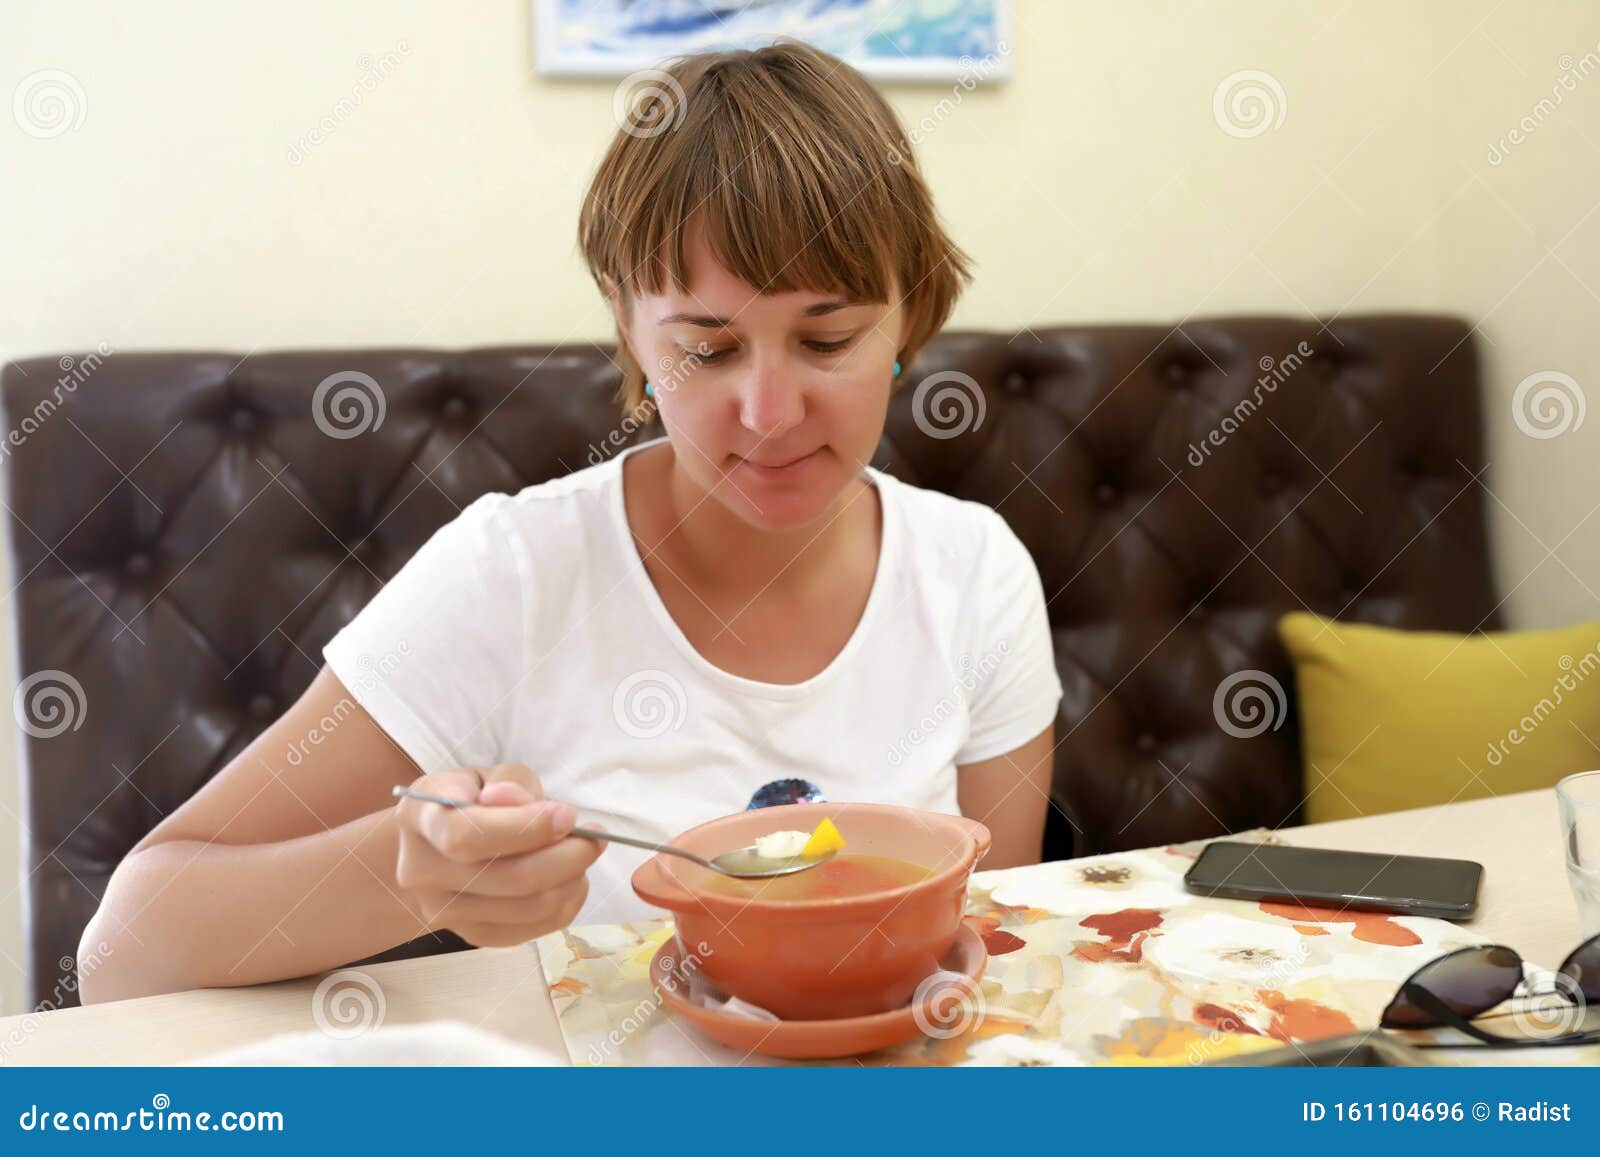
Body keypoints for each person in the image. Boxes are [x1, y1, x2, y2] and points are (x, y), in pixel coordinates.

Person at [79, 40, 1062, 1004]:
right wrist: (411, 869)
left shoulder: (974, 572)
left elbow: (983, 949)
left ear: (910, 317)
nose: (768, 410)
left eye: (827, 338)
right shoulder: (513, 573)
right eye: (708, 351)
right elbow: (125, 951)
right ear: (627, 324)